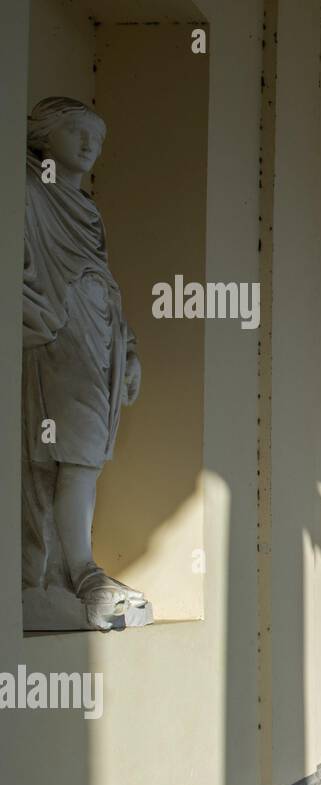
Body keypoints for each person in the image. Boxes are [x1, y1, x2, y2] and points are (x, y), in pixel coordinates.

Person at [22, 96, 149, 630]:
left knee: (86, 458)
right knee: (69, 456)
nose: (90, 143)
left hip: (99, 342)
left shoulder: (88, 212)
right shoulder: (28, 191)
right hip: (59, 336)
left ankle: (74, 572)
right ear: (44, 137)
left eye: (96, 134)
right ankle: (72, 572)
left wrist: (130, 348)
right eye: (76, 131)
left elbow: (108, 286)